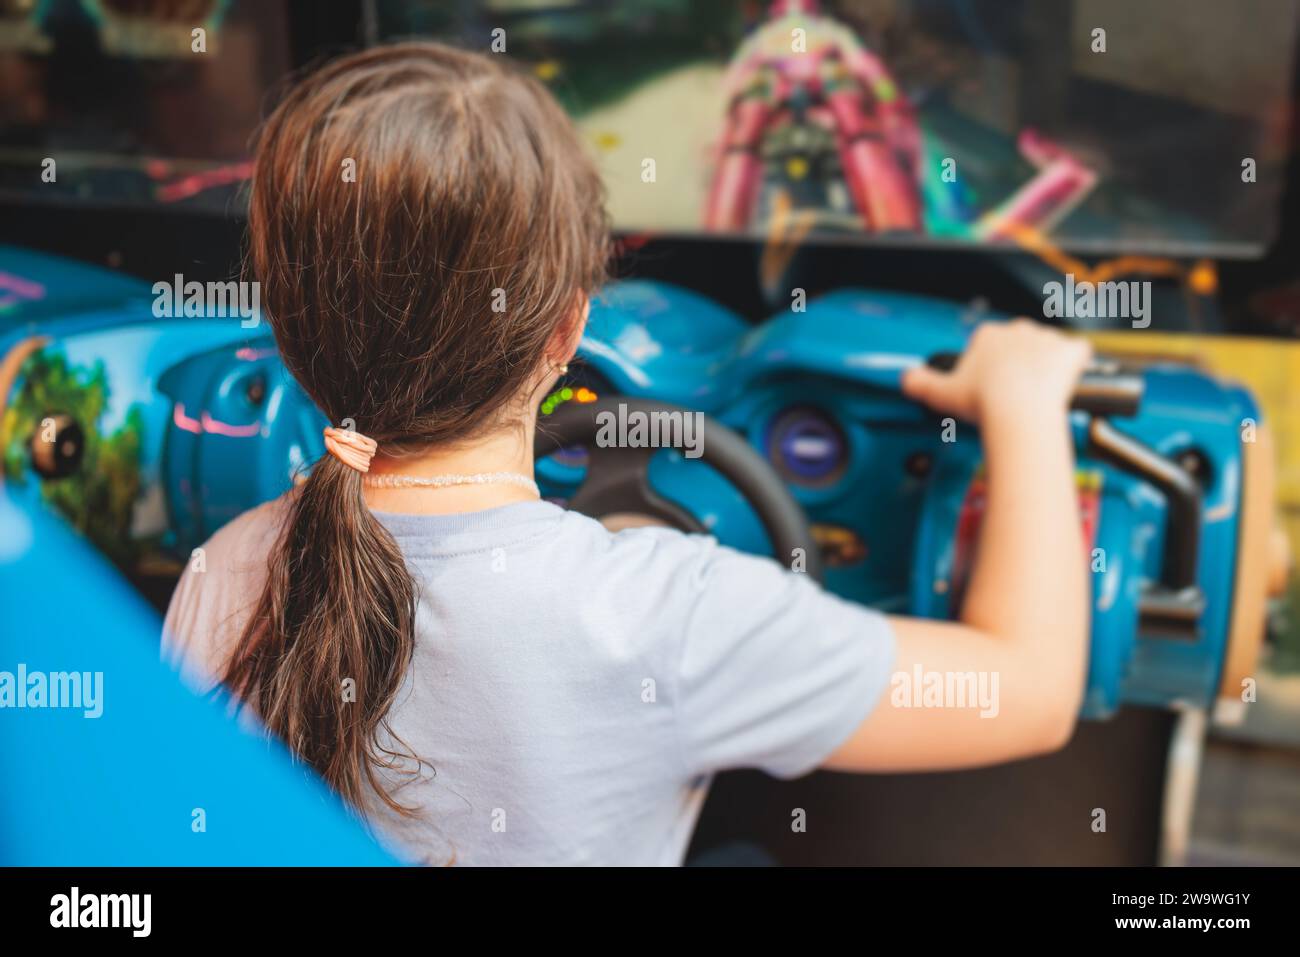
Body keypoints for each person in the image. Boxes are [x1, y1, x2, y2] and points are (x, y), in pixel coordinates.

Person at [163, 42, 1092, 866]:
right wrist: (1025, 403)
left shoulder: (216, 576)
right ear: (569, 329)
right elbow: (1034, 687)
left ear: (286, 335)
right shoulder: (672, 616)